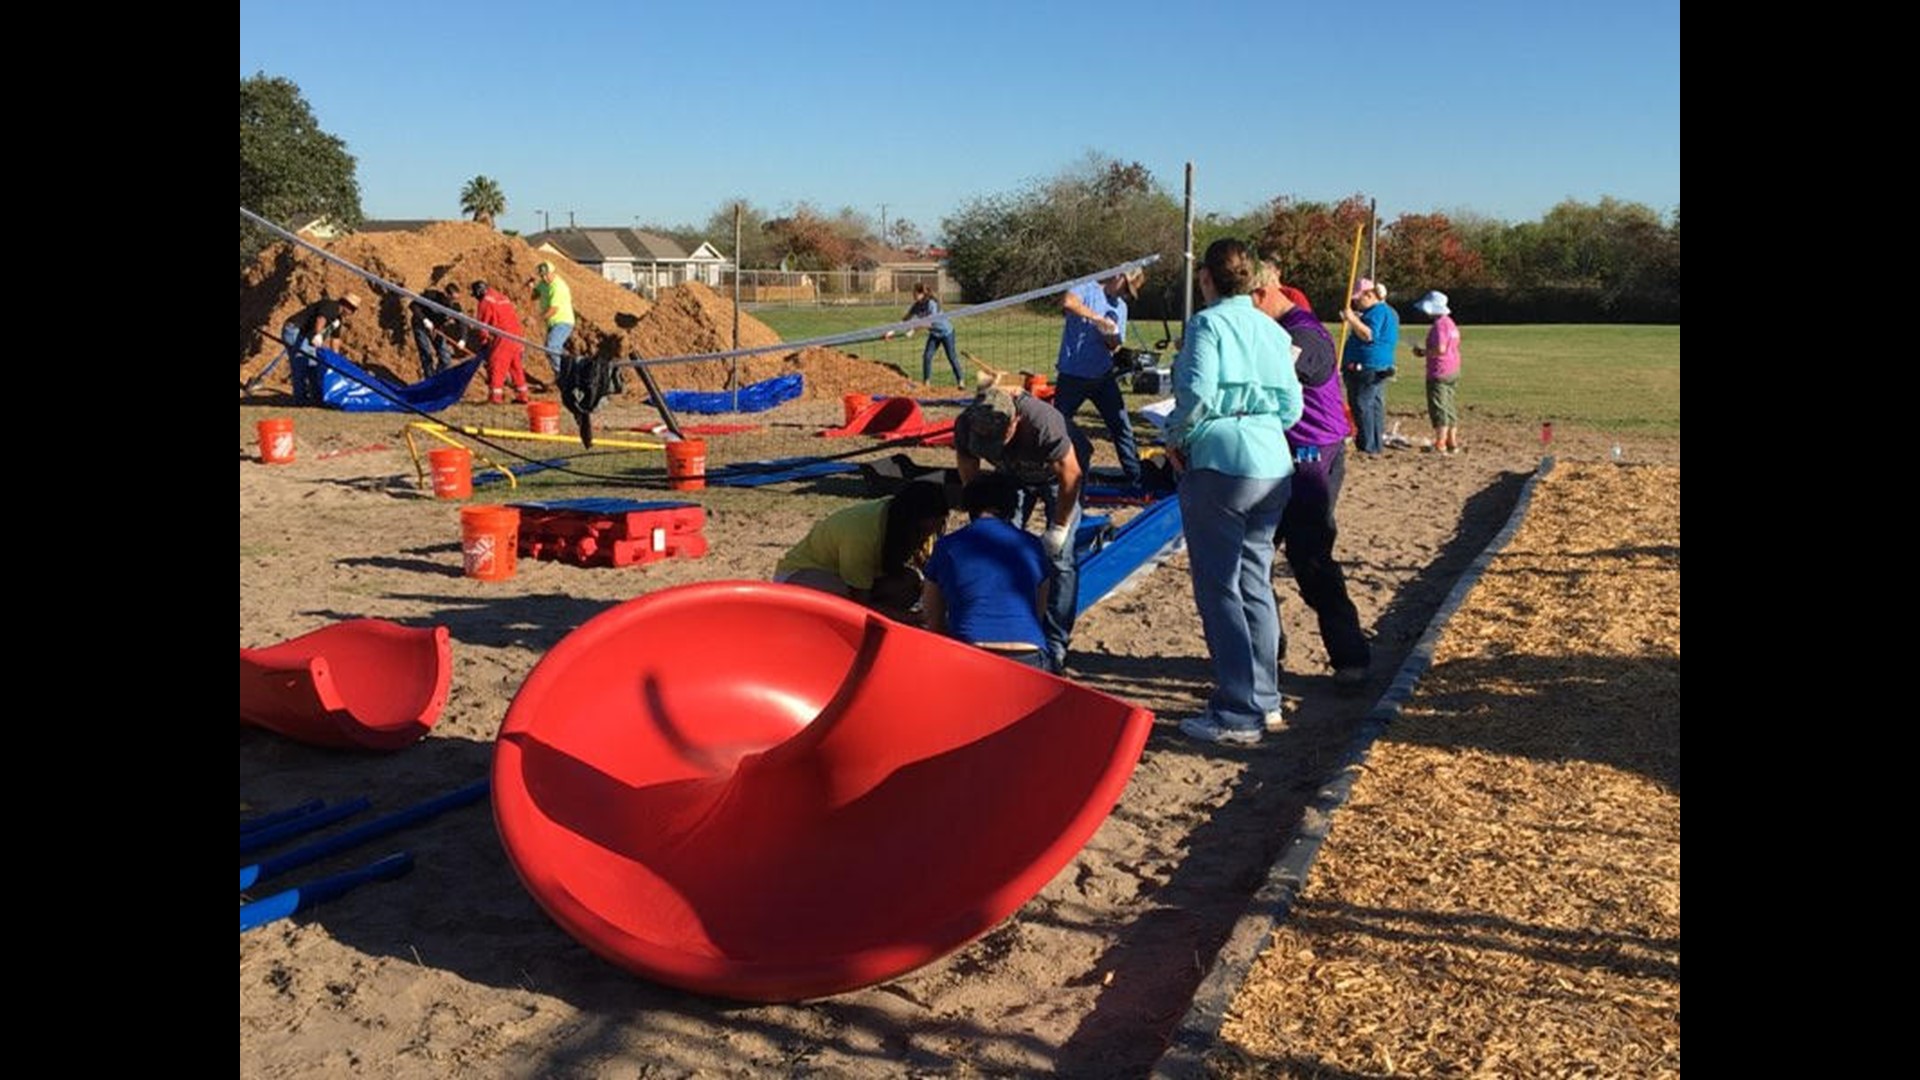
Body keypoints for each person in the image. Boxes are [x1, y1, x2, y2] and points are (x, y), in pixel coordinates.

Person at [1163, 239, 1303, 747]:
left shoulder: (1208, 324)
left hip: (1222, 462)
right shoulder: (1270, 328)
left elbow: (1198, 392)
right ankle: (1266, 701)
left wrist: (1173, 437)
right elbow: (1293, 402)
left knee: (1219, 587)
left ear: (1207, 280)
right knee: (1255, 582)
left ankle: (1237, 710)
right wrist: (1264, 425)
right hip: (1272, 460)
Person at [1251, 263, 1373, 698]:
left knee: (1309, 555)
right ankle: (1268, 650)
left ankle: (1351, 655)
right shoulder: (1275, 328)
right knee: (1254, 556)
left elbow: (1284, 375)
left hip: (1312, 455)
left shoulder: (1303, 334)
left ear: (1262, 293)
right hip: (1278, 453)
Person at [953, 380, 1084, 674]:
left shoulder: (1043, 424)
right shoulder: (967, 423)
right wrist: (980, 516)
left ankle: (1055, 642)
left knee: (1061, 560)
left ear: (1015, 422)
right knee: (999, 550)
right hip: (1010, 477)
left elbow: (1070, 475)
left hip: (1054, 478)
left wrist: (1059, 528)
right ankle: (1010, 624)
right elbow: (968, 466)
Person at [920, 471, 1055, 670]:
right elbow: (1038, 612)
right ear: (1010, 507)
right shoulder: (1033, 545)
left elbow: (933, 620)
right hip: (1028, 653)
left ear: (968, 506)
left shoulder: (947, 547)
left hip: (971, 650)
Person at [773, 481, 951, 619]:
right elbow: (859, 602)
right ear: (911, 523)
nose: (929, 536)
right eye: (925, 531)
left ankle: (882, 616)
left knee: (908, 584)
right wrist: (914, 619)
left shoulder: (914, 525)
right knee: (849, 602)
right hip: (799, 576)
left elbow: (929, 574)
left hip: (845, 579)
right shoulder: (862, 533)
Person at [1053, 268, 1146, 488]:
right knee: (1056, 427)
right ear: (1119, 275)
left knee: (1122, 427)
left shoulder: (1121, 307)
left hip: (1103, 376)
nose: (1125, 294)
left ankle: (1136, 478)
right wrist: (1097, 319)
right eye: (1126, 288)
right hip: (1072, 375)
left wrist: (1111, 337)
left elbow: (1115, 345)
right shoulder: (1086, 287)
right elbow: (1068, 302)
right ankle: (1047, 476)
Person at [1338, 278, 1399, 455]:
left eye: (1358, 299)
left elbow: (1368, 335)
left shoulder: (1377, 312)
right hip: (1379, 365)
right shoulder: (1388, 312)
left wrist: (1352, 320)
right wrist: (1357, 319)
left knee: (1361, 404)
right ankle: (1375, 443)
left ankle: (1367, 445)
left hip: (1366, 365)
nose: (1356, 302)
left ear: (1369, 295)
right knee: (1374, 405)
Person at [279, 291, 361, 405]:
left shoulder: (337, 320)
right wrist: (318, 335)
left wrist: (335, 359)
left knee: (313, 365)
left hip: (306, 336)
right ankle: (300, 399)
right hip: (294, 330)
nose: (352, 312)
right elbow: (321, 319)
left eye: (354, 310)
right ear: (345, 304)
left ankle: (316, 398)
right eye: (352, 309)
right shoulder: (331, 306)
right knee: (301, 363)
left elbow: (335, 339)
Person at [1411, 290, 1462, 454]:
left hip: (1439, 370)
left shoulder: (1439, 326)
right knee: (1449, 405)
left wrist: (1423, 352)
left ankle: (1440, 442)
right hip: (1453, 368)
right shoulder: (1450, 323)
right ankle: (1452, 441)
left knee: (1439, 406)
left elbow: (1440, 349)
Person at [883, 282, 963, 385]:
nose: (913, 295)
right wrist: (891, 332)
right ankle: (926, 382)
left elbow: (930, 322)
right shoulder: (916, 306)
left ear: (922, 294)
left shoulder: (931, 304)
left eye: (915, 293)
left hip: (946, 333)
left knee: (951, 357)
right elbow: (905, 320)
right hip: (934, 334)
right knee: (927, 356)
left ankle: (960, 381)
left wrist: (913, 330)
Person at [470, 279, 530, 405]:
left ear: (479, 292)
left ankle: (495, 397)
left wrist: (484, 340)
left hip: (504, 336)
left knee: (496, 364)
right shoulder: (502, 297)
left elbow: (482, 325)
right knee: (515, 366)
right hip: (517, 335)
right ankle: (523, 395)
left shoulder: (485, 302)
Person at [407, 284, 465, 382]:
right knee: (426, 353)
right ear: (446, 294)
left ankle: (436, 379)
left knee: (446, 357)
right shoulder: (432, 296)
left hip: (437, 329)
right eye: (452, 299)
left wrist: (463, 339)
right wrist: (424, 320)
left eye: (456, 299)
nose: (453, 302)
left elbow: (462, 323)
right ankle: (429, 379)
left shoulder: (455, 307)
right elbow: (413, 305)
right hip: (421, 325)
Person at [532, 261, 575, 381]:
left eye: (546, 275)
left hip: (563, 321)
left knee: (551, 346)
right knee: (556, 348)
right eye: (542, 276)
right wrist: (531, 287)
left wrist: (537, 320)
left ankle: (562, 375)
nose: (544, 278)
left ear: (553, 272)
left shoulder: (558, 287)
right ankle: (571, 365)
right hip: (552, 322)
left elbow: (553, 310)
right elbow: (536, 294)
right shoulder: (543, 283)